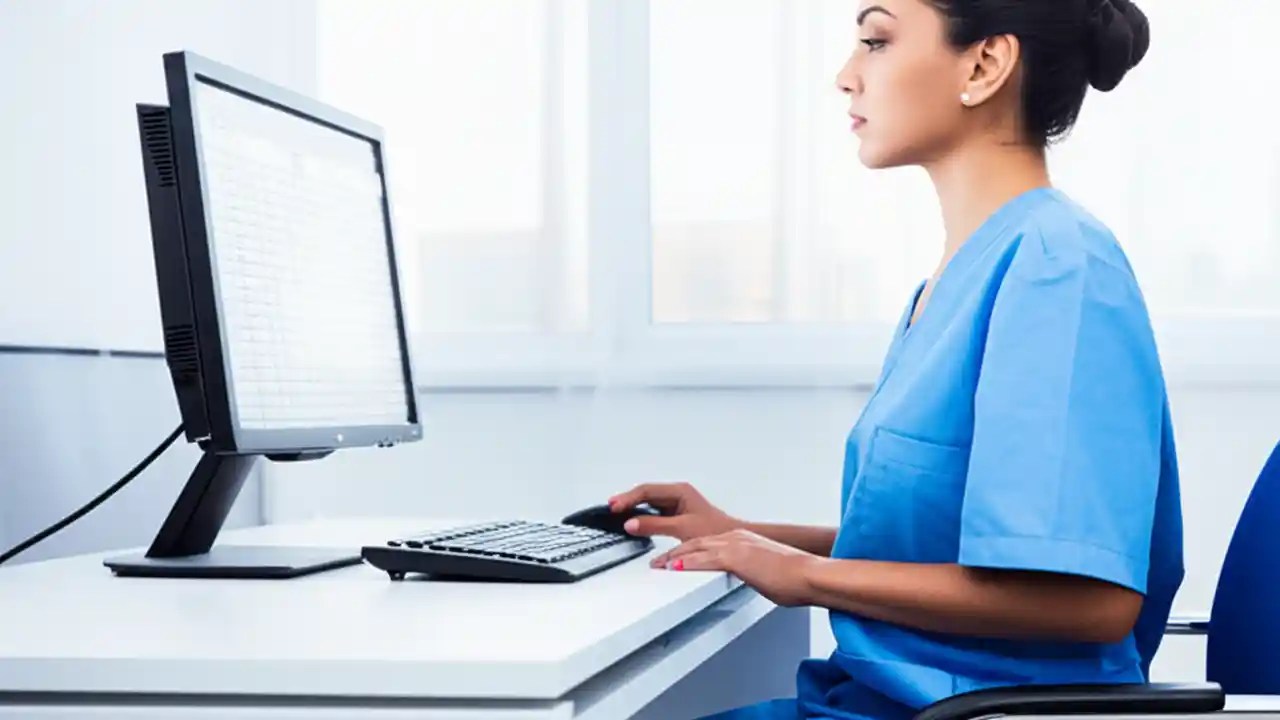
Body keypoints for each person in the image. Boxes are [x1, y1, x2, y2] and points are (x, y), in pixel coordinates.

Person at [607, 1, 1184, 718]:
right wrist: (746, 535)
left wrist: (808, 575)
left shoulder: (1058, 270)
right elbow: (946, 547)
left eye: (876, 42)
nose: (846, 77)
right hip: (880, 701)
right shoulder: (954, 280)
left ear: (983, 66)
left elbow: (1088, 600)